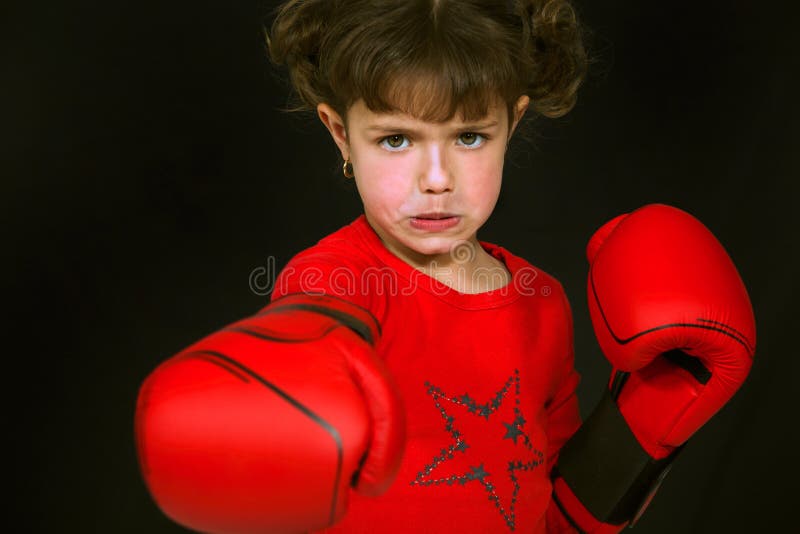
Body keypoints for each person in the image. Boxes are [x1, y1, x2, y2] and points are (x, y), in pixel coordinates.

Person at [134, 1, 756, 533]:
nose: (436, 181)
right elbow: (317, 322)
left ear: (512, 121)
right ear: (340, 135)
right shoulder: (338, 281)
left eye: (469, 137)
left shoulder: (541, 300)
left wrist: (642, 422)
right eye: (396, 139)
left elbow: (553, 508)